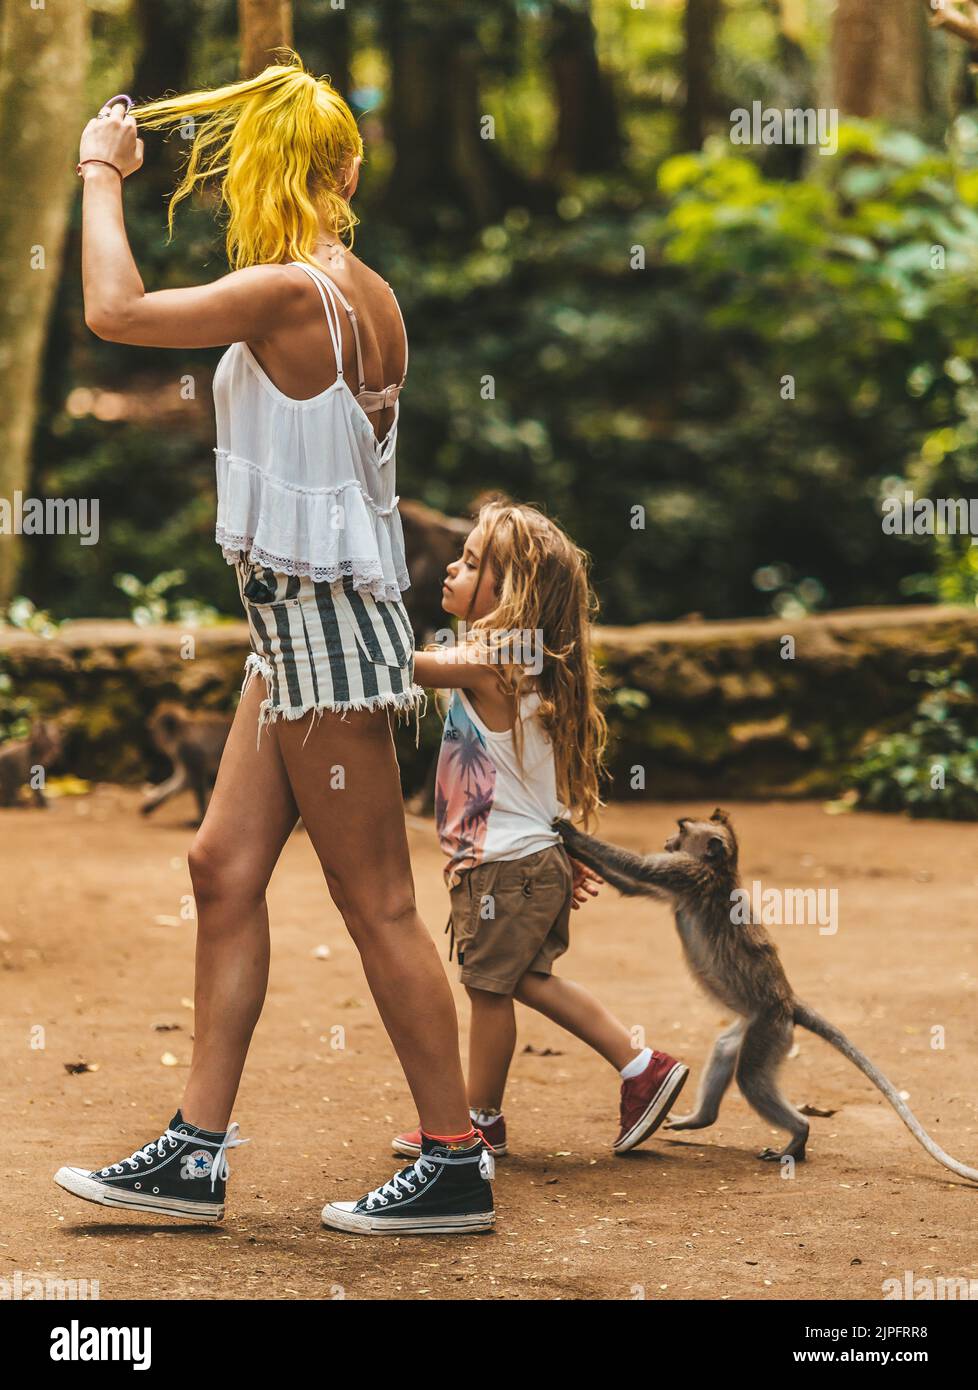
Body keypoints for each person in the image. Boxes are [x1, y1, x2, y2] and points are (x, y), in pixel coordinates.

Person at [53, 57, 494, 1237]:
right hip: (295, 627)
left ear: (261, 175)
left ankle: (455, 1159)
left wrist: (100, 172)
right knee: (222, 867)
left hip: (324, 632)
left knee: (376, 900)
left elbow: (114, 312)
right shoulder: (364, 290)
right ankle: (194, 1155)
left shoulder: (292, 294)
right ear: (346, 172)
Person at [390, 499, 689, 1159]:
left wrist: (349, 619)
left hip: (504, 865)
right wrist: (562, 851)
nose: (451, 568)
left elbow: (399, 665)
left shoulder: (493, 661)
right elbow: (533, 778)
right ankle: (640, 1067)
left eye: (472, 563)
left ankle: (482, 1122)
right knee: (520, 980)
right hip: (527, 858)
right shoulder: (524, 663)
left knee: (490, 989)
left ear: (513, 593)